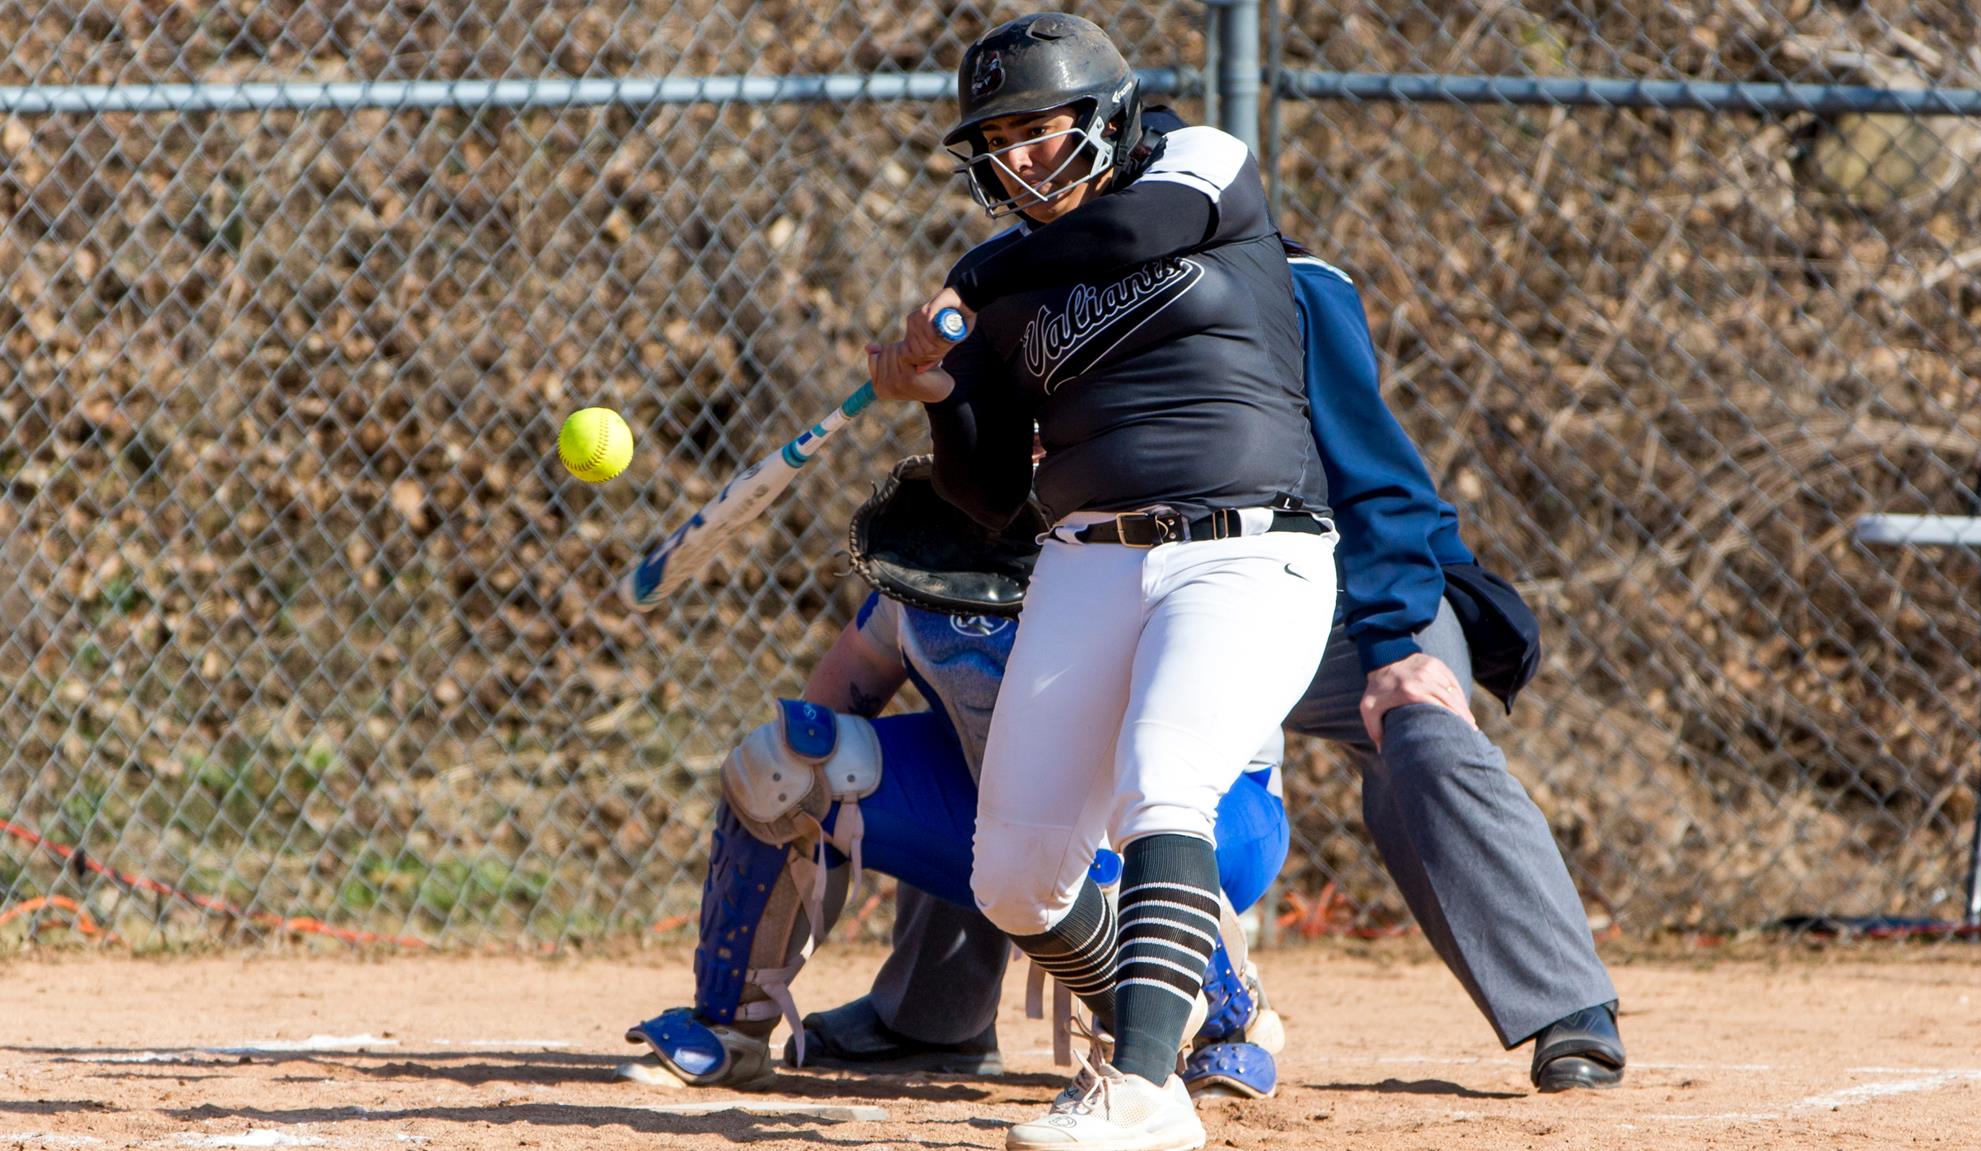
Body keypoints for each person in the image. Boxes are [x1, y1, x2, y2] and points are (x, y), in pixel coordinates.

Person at [796, 246, 1627, 1096]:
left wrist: (1392, 645)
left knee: (1418, 720)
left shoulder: (1289, 280)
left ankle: (1566, 1005)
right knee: (996, 696)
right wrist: (946, 390)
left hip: (1337, 585)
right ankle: (931, 1014)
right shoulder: (1045, 285)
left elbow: (1376, 475)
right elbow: (998, 472)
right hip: (1141, 585)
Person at [868, 13, 1346, 1149]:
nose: (1017, 157)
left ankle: (1139, 1087)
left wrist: (971, 276)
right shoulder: (1009, 292)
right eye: (997, 141)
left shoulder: (1199, 163)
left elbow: (1136, 228)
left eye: (1037, 128)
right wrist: (940, 390)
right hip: (1087, 558)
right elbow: (992, 491)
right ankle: (1189, 1003)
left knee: (1163, 779)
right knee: (1015, 875)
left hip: (1246, 547)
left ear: (1106, 115)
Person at [624, 457, 1290, 1100]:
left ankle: (1227, 1013)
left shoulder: (1143, 535)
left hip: (1215, 812)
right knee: (781, 764)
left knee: (1098, 827)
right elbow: (823, 713)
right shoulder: (940, 558)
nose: (1027, 444)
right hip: (1021, 808)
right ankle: (735, 1027)